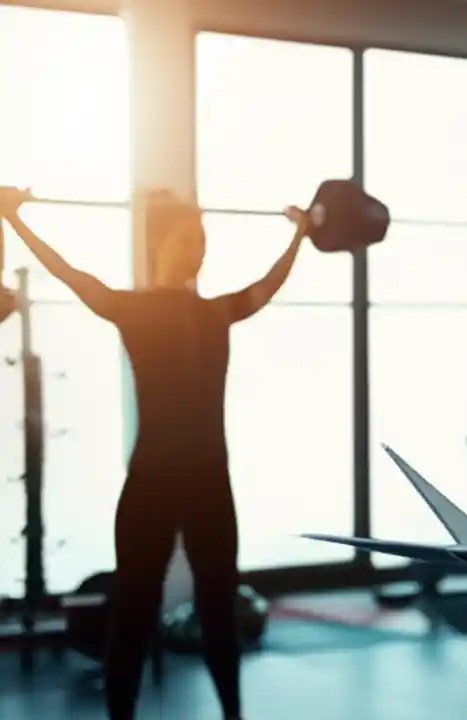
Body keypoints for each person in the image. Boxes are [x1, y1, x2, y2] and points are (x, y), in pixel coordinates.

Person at [0, 186, 310, 720]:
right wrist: (14, 220)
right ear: (162, 246)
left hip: (211, 482)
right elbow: (68, 271)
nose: (200, 248)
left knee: (219, 610)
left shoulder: (219, 313)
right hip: (152, 483)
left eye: (204, 239)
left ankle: (233, 714)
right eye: (191, 237)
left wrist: (301, 235)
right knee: (135, 612)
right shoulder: (132, 310)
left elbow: (269, 285)